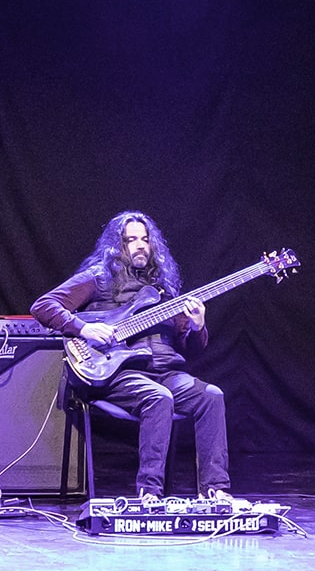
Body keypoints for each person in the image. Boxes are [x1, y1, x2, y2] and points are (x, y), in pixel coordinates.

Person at [31, 211, 234, 504]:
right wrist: (84, 328)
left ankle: (215, 490)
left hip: (165, 371)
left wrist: (198, 327)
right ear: (118, 245)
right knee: (158, 398)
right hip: (117, 372)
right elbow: (43, 305)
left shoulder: (165, 292)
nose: (140, 245)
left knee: (212, 396)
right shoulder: (98, 278)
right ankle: (150, 493)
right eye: (131, 240)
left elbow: (189, 350)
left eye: (145, 240)